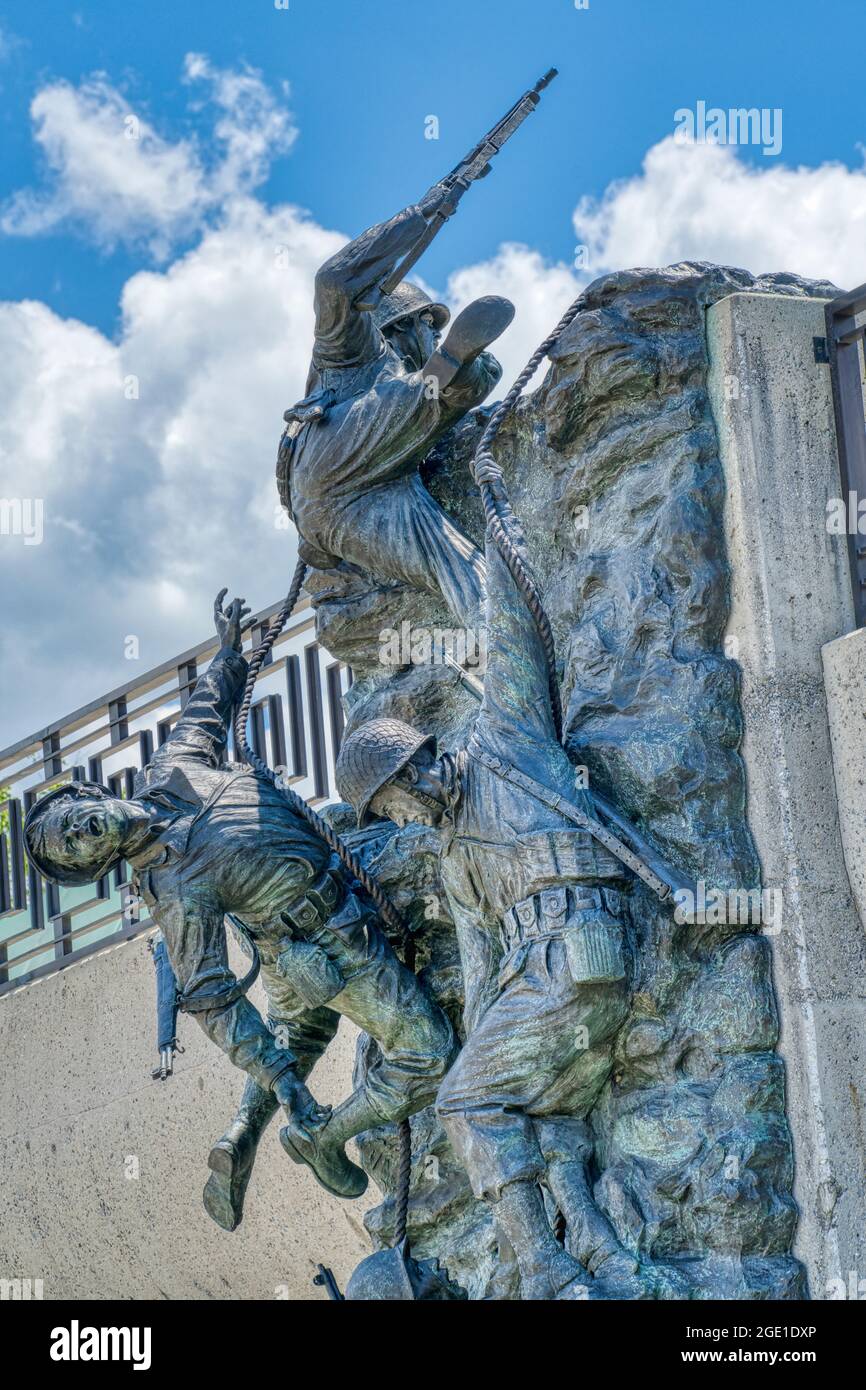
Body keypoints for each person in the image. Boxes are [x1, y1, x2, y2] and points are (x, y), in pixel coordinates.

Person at [24, 591, 455, 1226]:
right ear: (98, 860)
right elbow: (212, 997)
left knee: (305, 1028)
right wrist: (286, 1084)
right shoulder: (172, 890)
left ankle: (241, 1138)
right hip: (327, 943)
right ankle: (325, 1135)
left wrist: (228, 654)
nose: (81, 831)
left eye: (69, 821)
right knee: (426, 1050)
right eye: (74, 846)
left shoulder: (172, 769)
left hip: (336, 873)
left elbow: (204, 715)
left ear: (85, 794)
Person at [336, 513, 647, 1300]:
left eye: (395, 803)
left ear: (414, 767)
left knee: (468, 1100)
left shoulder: (507, 740)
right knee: (541, 1108)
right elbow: (479, 981)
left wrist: (499, 517)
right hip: (562, 988)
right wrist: (483, 1034)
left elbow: (510, 634)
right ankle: (602, 1257)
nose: (404, 820)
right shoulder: (453, 861)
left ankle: (544, 1268)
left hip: (575, 962)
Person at [280, 182, 514, 631]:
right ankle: (442, 377)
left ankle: (502, 649)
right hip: (332, 453)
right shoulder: (353, 348)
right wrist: (419, 215)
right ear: (405, 325)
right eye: (429, 326)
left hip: (343, 512)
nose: (433, 333)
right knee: (423, 393)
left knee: (463, 570)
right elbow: (332, 282)